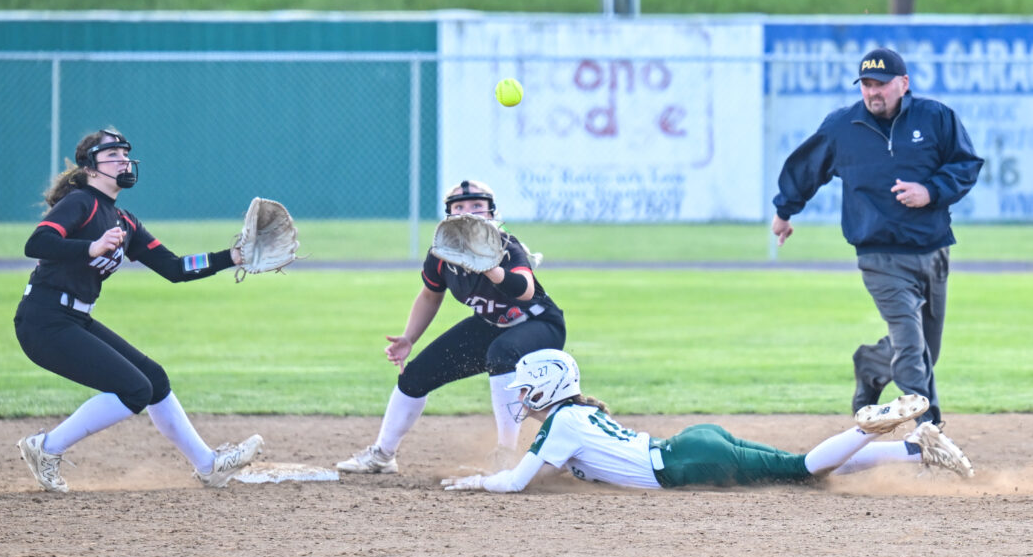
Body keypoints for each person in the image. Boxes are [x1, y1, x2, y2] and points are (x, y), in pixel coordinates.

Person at [14, 128, 263, 493]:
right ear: (90, 167)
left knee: (155, 380)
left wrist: (233, 257)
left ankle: (208, 465)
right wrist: (91, 247)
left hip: (74, 319)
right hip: (43, 321)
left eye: (125, 154)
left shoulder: (125, 221)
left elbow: (175, 267)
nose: (123, 160)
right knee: (134, 390)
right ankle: (46, 448)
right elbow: (37, 242)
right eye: (112, 155)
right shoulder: (81, 202)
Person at [770, 48, 983, 427]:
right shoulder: (842, 127)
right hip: (879, 256)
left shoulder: (935, 117)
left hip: (933, 250)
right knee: (911, 346)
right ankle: (928, 431)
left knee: (926, 353)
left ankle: (871, 364)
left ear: (903, 83)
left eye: (881, 84)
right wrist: (785, 211)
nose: (873, 92)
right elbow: (806, 166)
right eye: (866, 85)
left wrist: (931, 191)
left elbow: (966, 164)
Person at [440, 349, 974, 494]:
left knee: (800, 471)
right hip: (692, 447)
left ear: (551, 387)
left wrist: (477, 483)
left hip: (691, 459)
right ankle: (915, 448)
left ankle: (869, 426)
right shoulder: (574, 418)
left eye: (529, 389)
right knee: (805, 471)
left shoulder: (563, 426)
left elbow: (515, 483)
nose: (523, 398)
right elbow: (551, 471)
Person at [337, 179, 566, 474]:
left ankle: (507, 456)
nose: (468, 213)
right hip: (489, 325)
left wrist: (492, 270)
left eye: (476, 206)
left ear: (492, 213)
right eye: (459, 207)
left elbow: (525, 290)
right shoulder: (442, 255)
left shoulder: (507, 246)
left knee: (502, 354)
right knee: (416, 376)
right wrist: (409, 338)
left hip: (538, 323)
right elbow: (430, 296)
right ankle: (382, 455)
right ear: (448, 215)